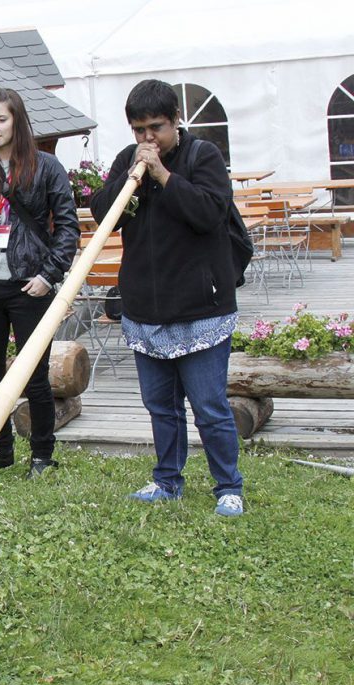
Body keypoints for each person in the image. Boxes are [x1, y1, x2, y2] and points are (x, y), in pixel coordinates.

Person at [90, 79, 244, 517]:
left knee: (210, 407)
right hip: (146, 304)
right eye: (138, 130)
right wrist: (130, 176)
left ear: (176, 120)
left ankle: (228, 486)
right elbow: (103, 214)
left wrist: (162, 175)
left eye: (155, 128)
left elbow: (210, 214)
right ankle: (167, 480)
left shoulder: (203, 156)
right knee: (160, 406)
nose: (146, 139)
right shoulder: (127, 160)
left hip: (200, 306)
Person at [0, 88, 78, 478]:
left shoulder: (45, 165)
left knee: (34, 375)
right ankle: (1, 450)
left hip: (30, 283)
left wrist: (49, 276)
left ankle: (42, 454)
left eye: (1, 119)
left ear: (18, 121)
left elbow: (67, 228)